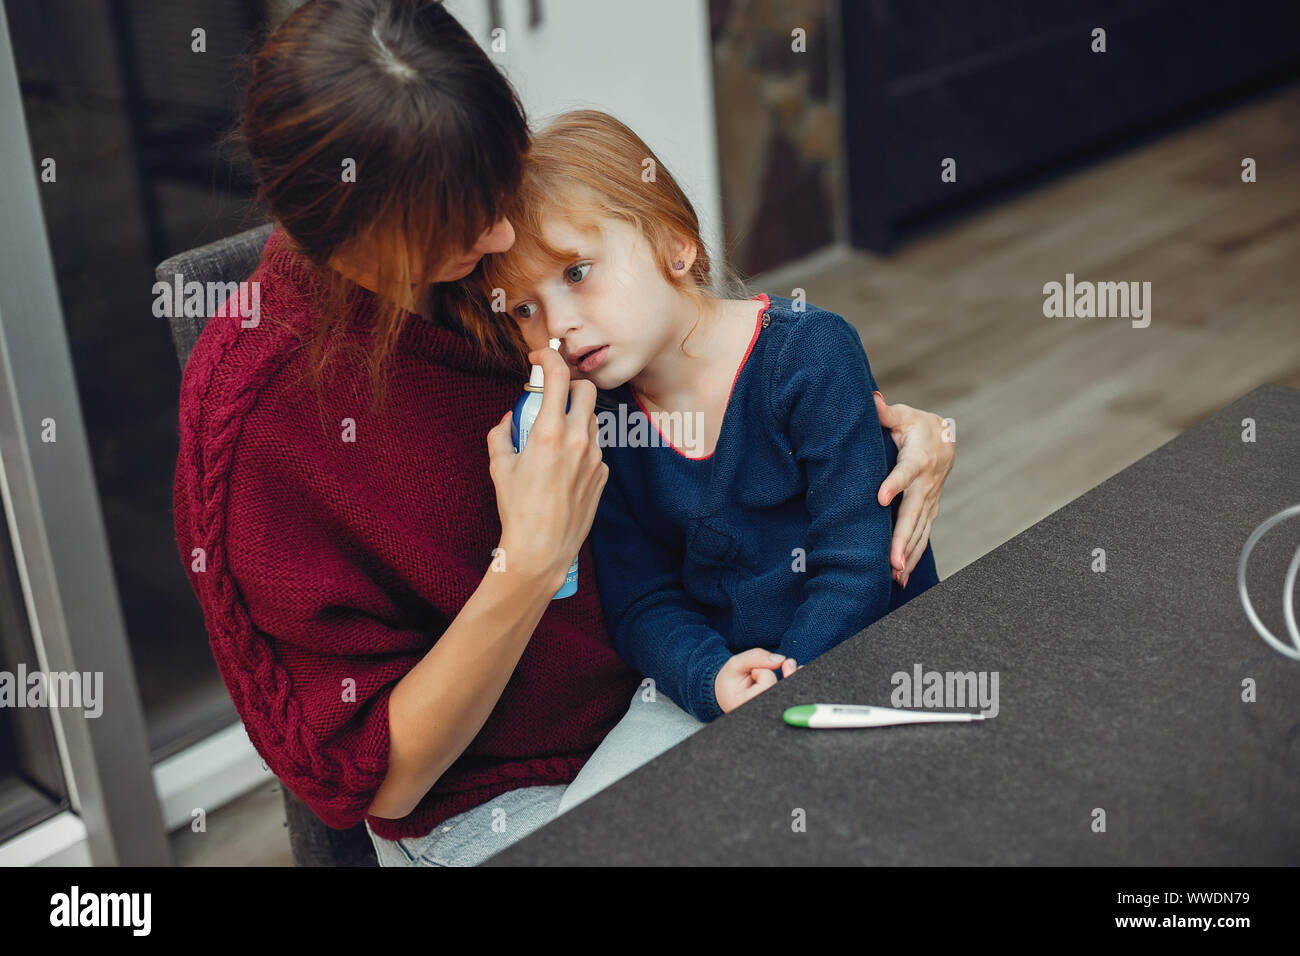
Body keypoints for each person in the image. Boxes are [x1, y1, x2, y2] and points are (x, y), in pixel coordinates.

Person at [173, 0, 954, 867]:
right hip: (515, 791)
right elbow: (376, 780)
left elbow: (716, 375)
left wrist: (885, 434)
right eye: (461, 225)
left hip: (688, 682)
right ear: (350, 239)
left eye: (495, 183)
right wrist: (530, 561)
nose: (501, 235)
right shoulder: (260, 419)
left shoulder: (509, 263)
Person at [458, 110, 940, 725]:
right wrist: (708, 678)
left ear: (675, 246)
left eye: (577, 273)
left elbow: (855, 559)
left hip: (880, 664)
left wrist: (786, 683)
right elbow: (641, 601)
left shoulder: (808, 355)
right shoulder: (597, 424)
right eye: (525, 308)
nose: (558, 326)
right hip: (727, 690)